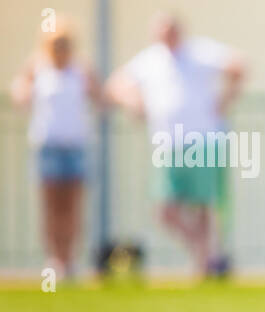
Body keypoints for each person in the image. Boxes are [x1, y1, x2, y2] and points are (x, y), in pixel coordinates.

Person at [105, 13, 244, 279]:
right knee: (165, 212)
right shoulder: (150, 60)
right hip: (168, 145)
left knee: (203, 205)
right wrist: (133, 101)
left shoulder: (200, 52)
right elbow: (115, 85)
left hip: (203, 140)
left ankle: (205, 265)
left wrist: (224, 100)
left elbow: (238, 66)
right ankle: (208, 254)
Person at [10, 23, 100, 281]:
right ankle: (54, 259)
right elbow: (20, 96)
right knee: (51, 207)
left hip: (75, 147)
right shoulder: (38, 69)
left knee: (72, 207)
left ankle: (70, 260)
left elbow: (98, 96)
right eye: (56, 44)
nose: (61, 49)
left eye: (65, 44)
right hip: (48, 147)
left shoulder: (80, 71)